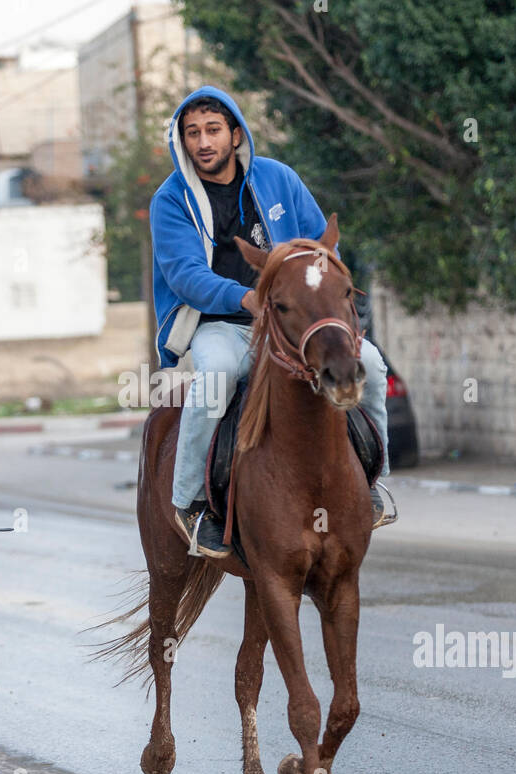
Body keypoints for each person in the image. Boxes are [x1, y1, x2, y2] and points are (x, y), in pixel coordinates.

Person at [149, 86, 390, 558]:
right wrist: (248, 298)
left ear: (235, 133)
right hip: (222, 325)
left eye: (213, 130)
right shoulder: (170, 200)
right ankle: (191, 505)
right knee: (216, 377)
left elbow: (322, 247)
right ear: (182, 142)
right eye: (192, 133)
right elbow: (184, 275)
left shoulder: (279, 178)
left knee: (374, 367)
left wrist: (317, 296)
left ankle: (374, 481)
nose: (203, 142)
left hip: (292, 324)